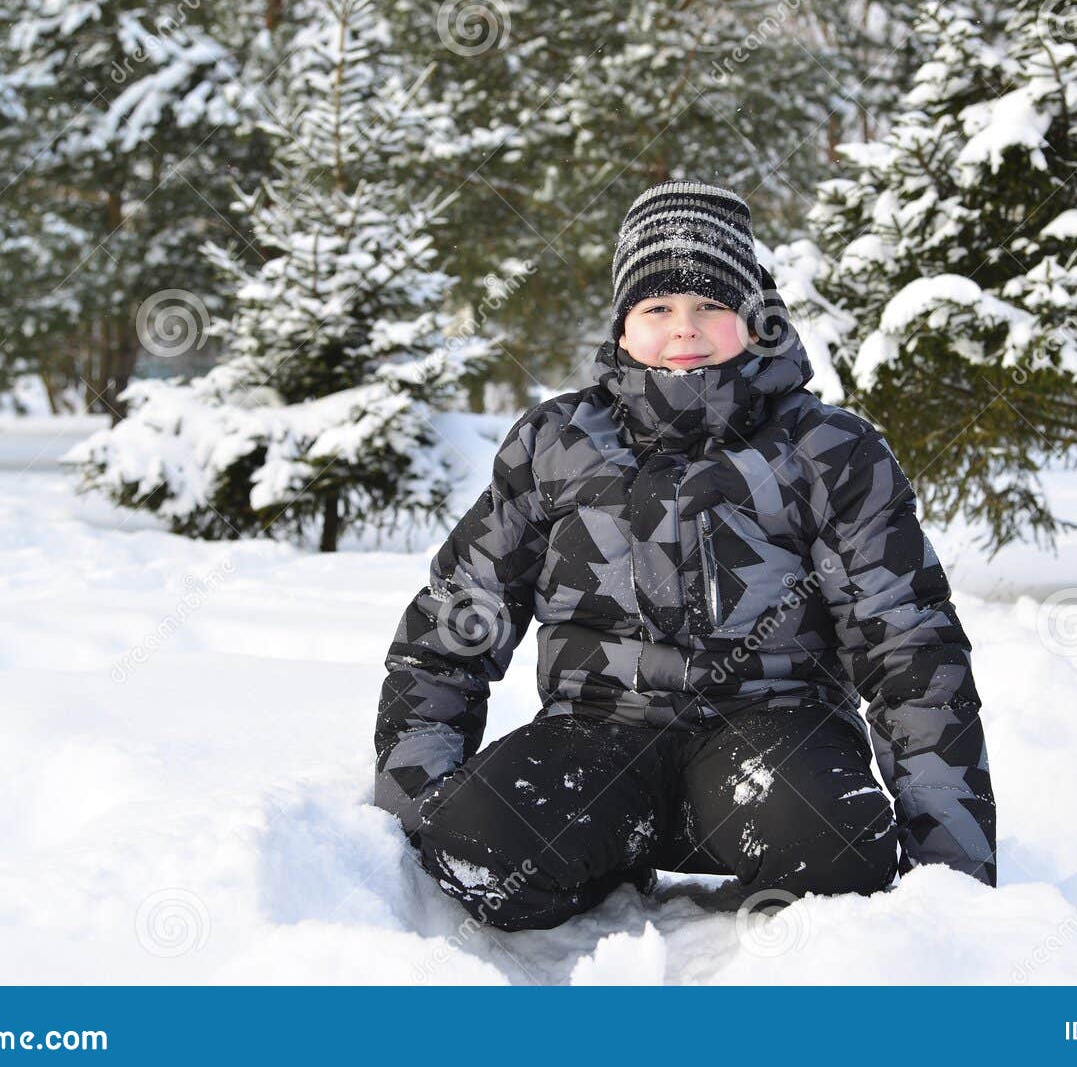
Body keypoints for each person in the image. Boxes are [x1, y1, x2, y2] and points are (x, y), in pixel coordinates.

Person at [372, 177, 996, 932]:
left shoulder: (829, 450)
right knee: (478, 849)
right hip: (595, 737)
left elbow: (910, 649)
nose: (684, 329)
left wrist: (952, 876)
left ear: (752, 318)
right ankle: (602, 850)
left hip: (774, 741)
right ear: (624, 325)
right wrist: (413, 824)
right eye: (658, 307)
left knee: (843, 857)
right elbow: (451, 632)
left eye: (711, 305)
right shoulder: (557, 444)